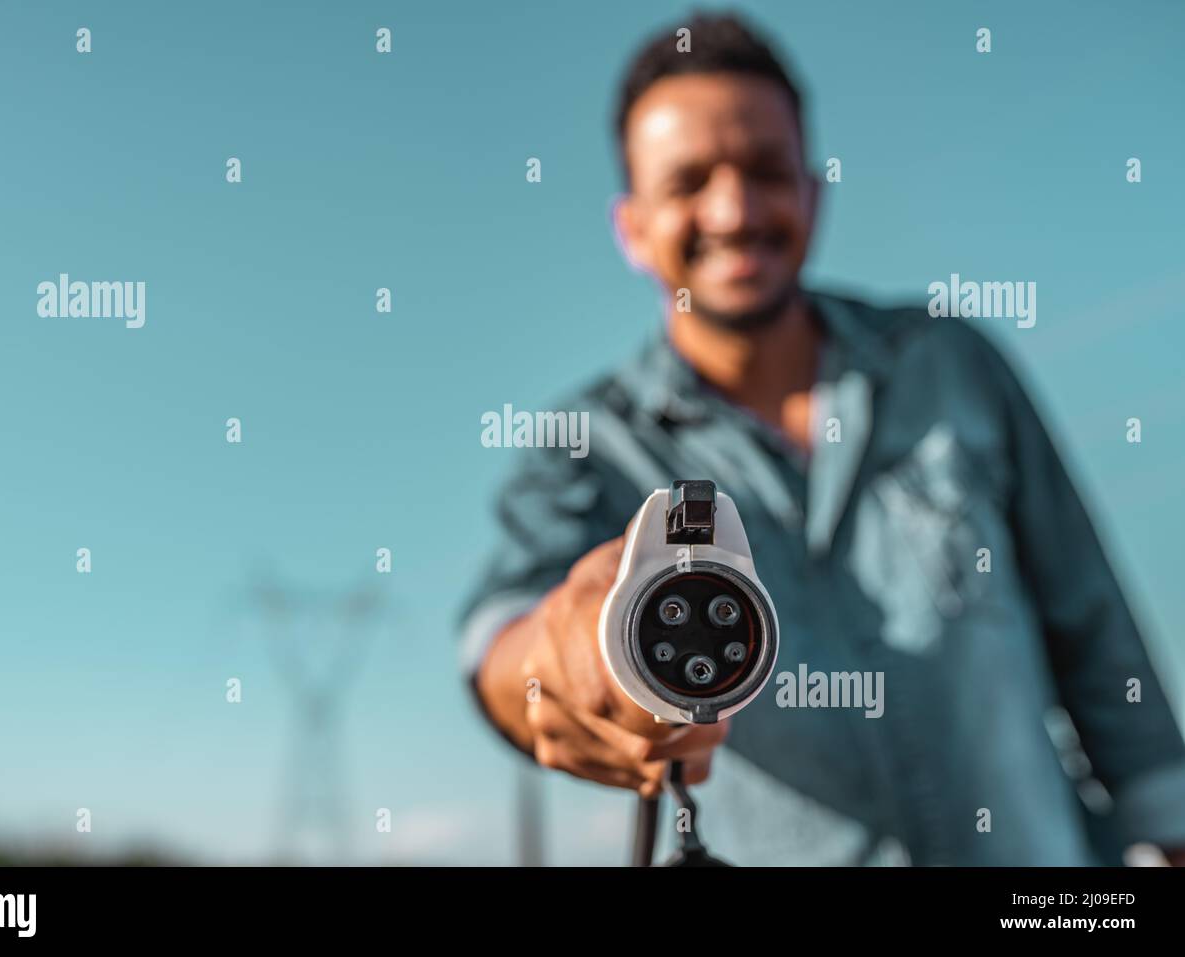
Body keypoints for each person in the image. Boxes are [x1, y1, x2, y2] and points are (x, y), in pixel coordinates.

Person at [456, 11, 1185, 865]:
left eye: (766, 170)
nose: (734, 209)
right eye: (688, 181)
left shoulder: (950, 363)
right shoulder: (580, 447)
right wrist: (573, 662)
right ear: (634, 226)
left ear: (814, 191)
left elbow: (1096, 634)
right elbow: (503, 642)